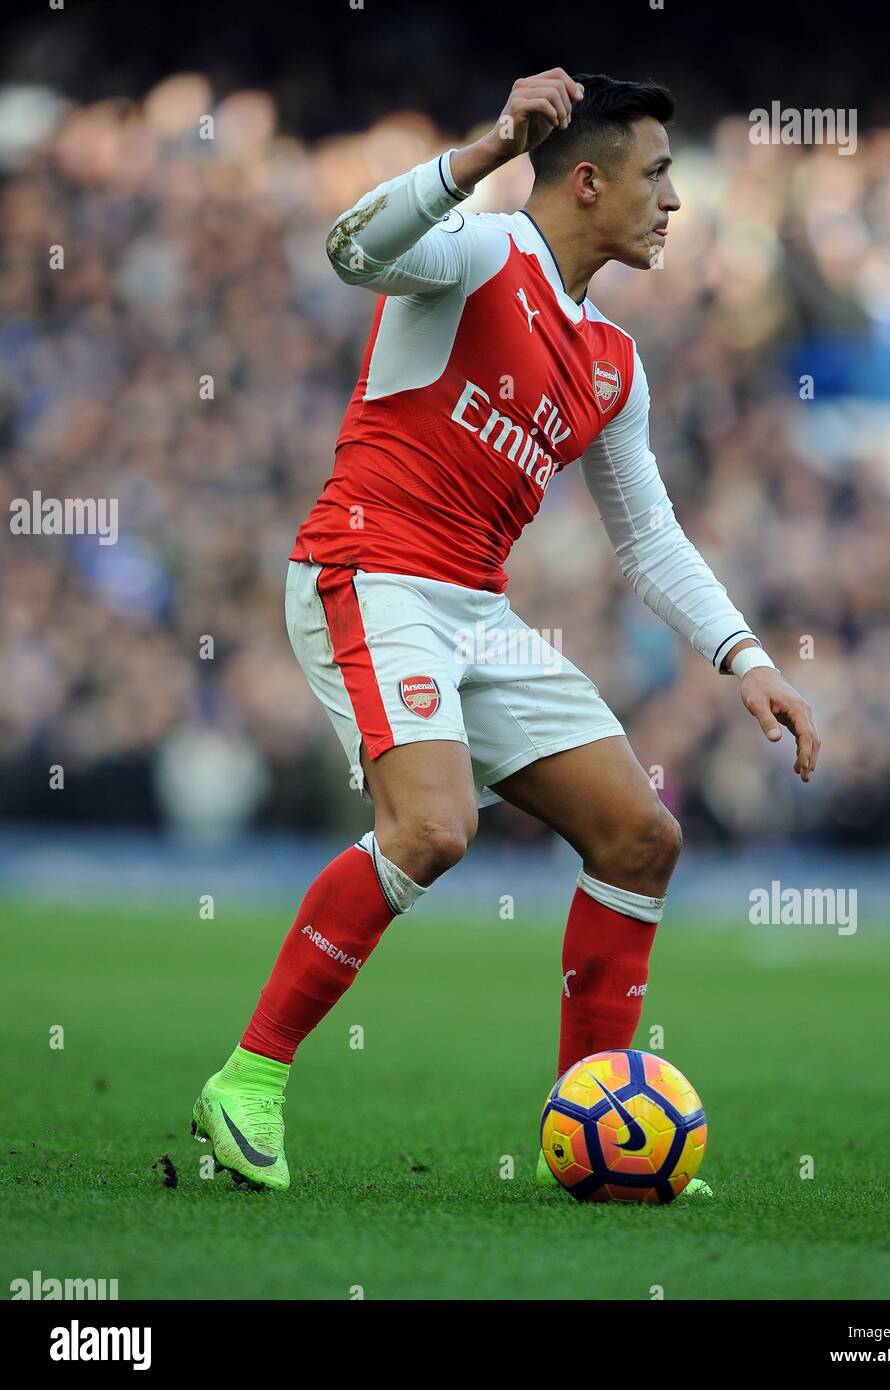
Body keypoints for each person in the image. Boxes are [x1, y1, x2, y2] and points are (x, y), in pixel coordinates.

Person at [192, 69, 820, 1195]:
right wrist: (486, 147)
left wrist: (748, 659)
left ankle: (589, 1123)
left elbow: (651, 541)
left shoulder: (613, 363)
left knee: (640, 837)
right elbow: (348, 248)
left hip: (473, 609)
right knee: (431, 829)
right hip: (369, 567)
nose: (675, 201)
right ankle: (248, 1079)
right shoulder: (480, 255)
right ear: (587, 180)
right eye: (658, 175)